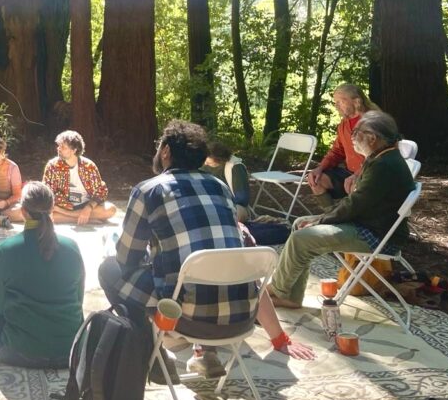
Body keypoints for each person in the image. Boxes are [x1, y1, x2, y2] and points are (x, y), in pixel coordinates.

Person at [99, 121, 312, 380]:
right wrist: (279, 338)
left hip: (182, 318)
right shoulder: (220, 188)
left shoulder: (149, 190)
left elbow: (127, 258)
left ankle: (148, 350)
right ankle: (205, 353)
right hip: (240, 319)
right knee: (206, 268)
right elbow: (233, 260)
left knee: (109, 269)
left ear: (166, 151)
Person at [268, 110, 415, 310]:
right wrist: (322, 216)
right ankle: (290, 295)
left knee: (301, 237)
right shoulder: (381, 157)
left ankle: (279, 291)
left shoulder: (384, 165)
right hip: (370, 224)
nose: (352, 138)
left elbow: (355, 204)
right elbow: (356, 203)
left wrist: (320, 220)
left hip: (376, 235)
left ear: (372, 138)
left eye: (357, 133)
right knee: (299, 224)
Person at [0, 181, 84, 368]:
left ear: (24, 211)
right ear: (52, 209)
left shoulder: (7, 249)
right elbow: (78, 297)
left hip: (18, 351)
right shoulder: (71, 247)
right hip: (70, 351)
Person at [306, 84, 380, 204]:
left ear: (357, 101)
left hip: (371, 174)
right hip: (349, 172)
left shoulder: (374, 121)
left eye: (341, 101)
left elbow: (378, 155)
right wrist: (320, 168)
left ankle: (352, 220)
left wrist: (358, 174)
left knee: (354, 186)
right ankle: (331, 216)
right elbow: (337, 151)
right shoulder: (344, 124)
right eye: (335, 102)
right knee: (317, 180)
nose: (336, 105)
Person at [42, 130, 117, 224]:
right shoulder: (52, 165)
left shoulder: (88, 166)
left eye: (63, 147)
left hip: (82, 205)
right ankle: (85, 219)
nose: (59, 149)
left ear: (74, 150)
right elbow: (46, 191)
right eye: (58, 146)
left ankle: (73, 216)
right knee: (44, 214)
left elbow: (100, 191)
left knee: (111, 209)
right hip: (62, 205)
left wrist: (88, 208)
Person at [201, 139, 251, 222]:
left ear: (218, 159)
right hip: (208, 201)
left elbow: (242, 198)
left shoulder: (235, 167)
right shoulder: (203, 165)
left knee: (236, 213)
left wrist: (221, 201)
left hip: (230, 204)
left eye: (208, 159)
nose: (206, 162)